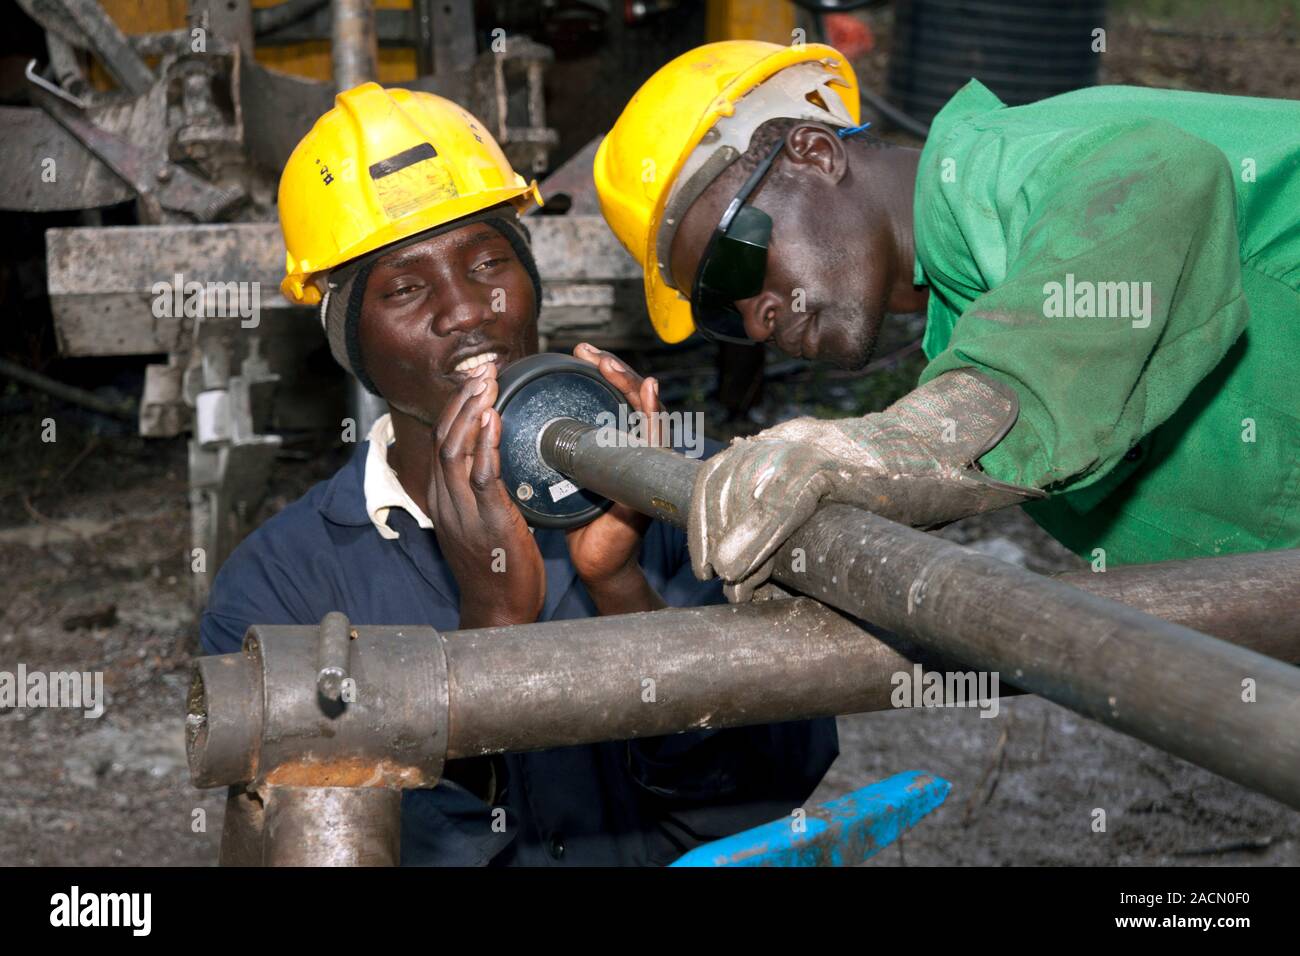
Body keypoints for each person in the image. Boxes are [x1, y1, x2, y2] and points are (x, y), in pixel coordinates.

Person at [200, 82, 838, 865]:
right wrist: (490, 636)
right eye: (404, 288)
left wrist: (624, 590)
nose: (466, 310)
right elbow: (352, 847)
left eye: (490, 262)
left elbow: (764, 804)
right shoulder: (281, 588)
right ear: (348, 341)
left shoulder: (690, 492)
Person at [595, 40, 1300, 600]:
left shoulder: (998, 168)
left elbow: (1158, 173)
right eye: (719, 311)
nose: (753, 322)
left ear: (814, 153)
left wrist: (906, 442)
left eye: (734, 264)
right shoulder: (973, 325)